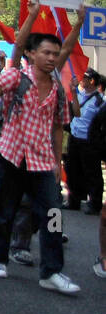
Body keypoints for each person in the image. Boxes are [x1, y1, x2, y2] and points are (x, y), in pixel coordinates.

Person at [0, 0, 84, 295]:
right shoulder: (16, 76)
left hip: (43, 162)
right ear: (32, 54)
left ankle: (52, 271)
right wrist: (31, 16)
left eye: (55, 54)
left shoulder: (57, 89)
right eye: (46, 52)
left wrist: (58, 163)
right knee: (5, 208)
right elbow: (16, 48)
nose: (52, 58)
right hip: (11, 154)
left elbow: (58, 128)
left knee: (53, 213)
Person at [67, 69, 104, 213]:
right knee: (72, 171)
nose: (81, 79)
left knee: (92, 173)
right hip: (74, 138)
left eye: (85, 77)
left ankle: (95, 204)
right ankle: (74, 201)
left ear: (92, 81)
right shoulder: (78, 94)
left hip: (89, 142)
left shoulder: (100, 101)